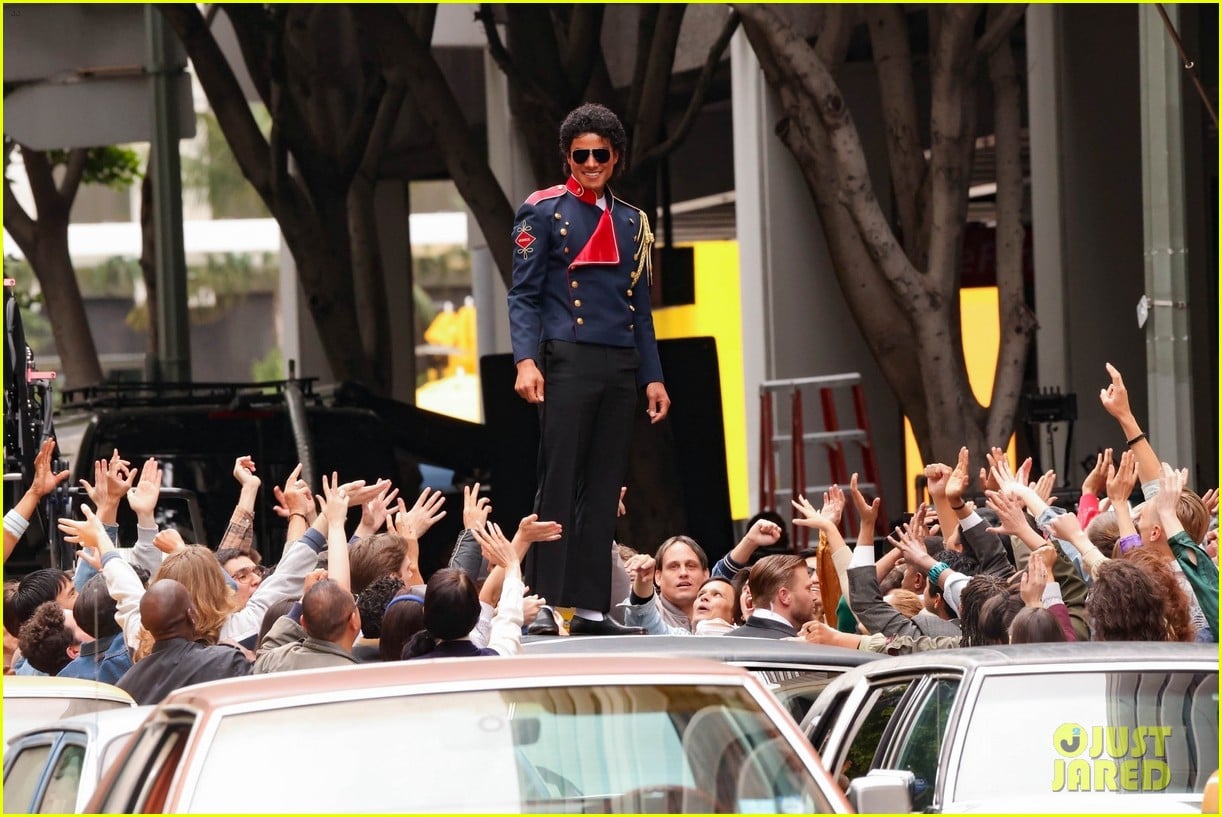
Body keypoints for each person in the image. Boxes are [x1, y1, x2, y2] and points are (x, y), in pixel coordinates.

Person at [507, 102, 670, 635]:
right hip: (567, 359)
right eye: (582, 155)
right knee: (559, 482)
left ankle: (595, 608)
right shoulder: (542, 210)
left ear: (616, 158)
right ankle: (547, 603)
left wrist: (654, 375)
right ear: (567, 158)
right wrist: (526, 360)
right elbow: (524, 295)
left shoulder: (632, 221)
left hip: (621, 363)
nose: (592, 163)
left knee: (604, 484)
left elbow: (640, 310)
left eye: (601, 154)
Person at [115, 580, 251, 705]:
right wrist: (253, 660)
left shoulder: (124, 686)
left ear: (144, 625)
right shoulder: (225, 661)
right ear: (191, 615)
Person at [725, 555, 818, 639]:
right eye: (808, 589)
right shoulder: (802, 649)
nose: (814, 597)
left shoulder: (725, 641)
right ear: (784, 596)